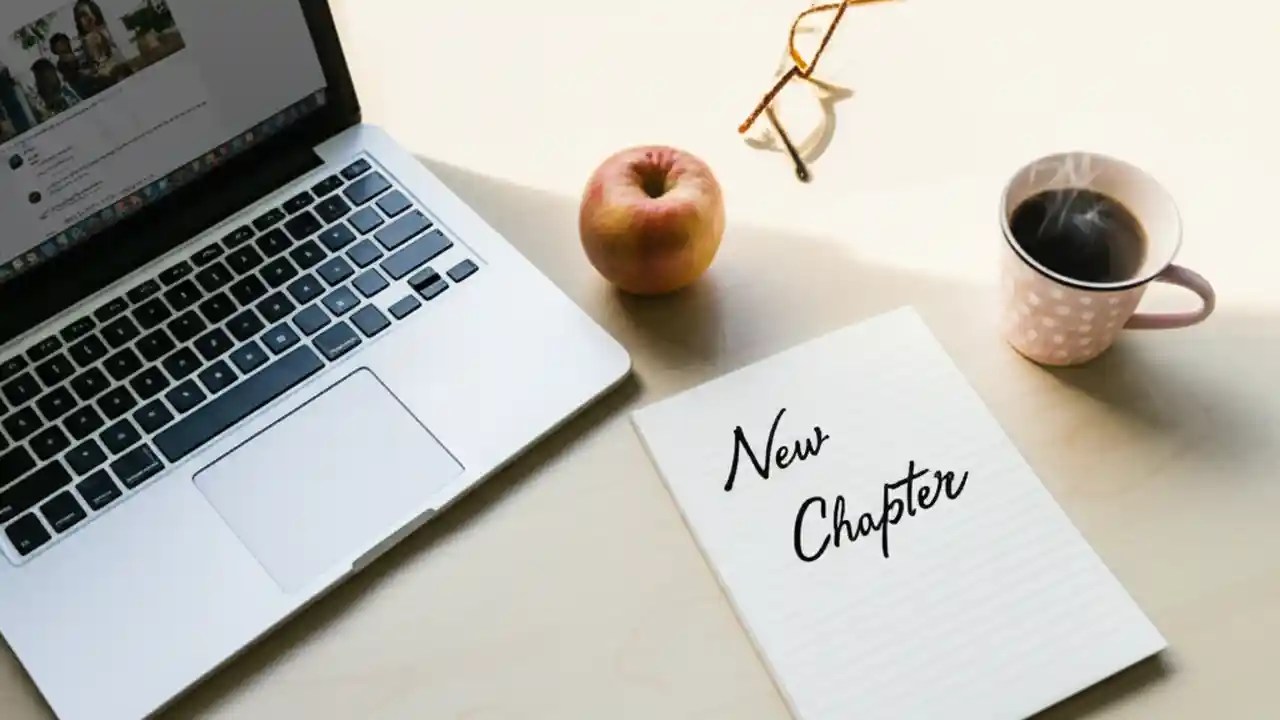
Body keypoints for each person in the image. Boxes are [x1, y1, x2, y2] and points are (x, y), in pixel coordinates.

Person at [74, 0, 130, 82]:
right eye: (82, 15)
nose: (88, 19)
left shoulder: (108, 31)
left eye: (89, 13)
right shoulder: (85, 42)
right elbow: (96, 66)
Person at [49, 32, 106, 100]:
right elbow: (72, 77)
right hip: (84, 87)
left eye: (64, 41)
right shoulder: (61, 64)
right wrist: (86, 72)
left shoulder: (78, 52)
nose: (64, 44)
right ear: (55, 49)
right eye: (60, 43)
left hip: (93, 78)